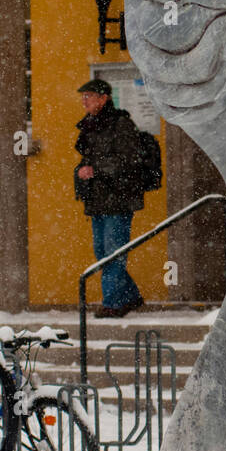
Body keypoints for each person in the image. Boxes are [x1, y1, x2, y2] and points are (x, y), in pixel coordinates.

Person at [74, 79, 146, 318]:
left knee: (113, 250)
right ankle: (130, 296)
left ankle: (113, 303)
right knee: (102, 251)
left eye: (89, 96)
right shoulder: (90, 126)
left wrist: (95, 169)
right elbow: (90, 158)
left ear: (104, 99)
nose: (84, 101)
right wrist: (84, 171)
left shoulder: (121, 124)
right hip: (98, 199)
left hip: (118, 198)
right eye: (83, 97)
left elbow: (129, 160)